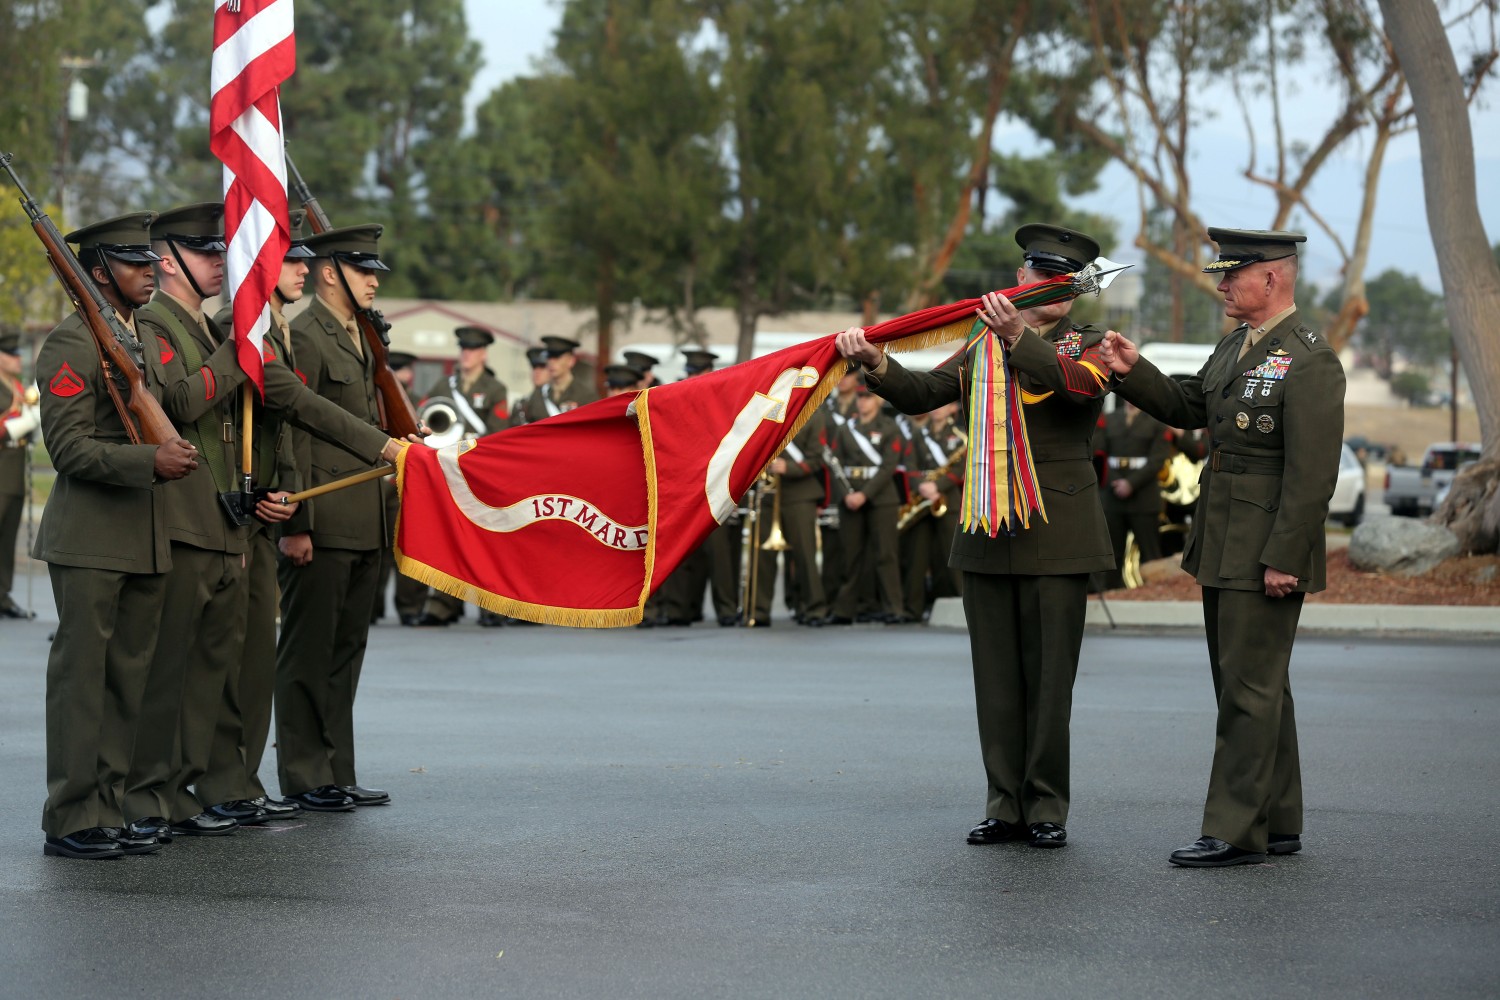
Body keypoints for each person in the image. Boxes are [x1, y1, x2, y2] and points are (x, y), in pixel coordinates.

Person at [835, 223, 1116, 849]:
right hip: (989, 523)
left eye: (1064, 280)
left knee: (1048, 680)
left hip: (1056, 530)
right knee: (994, 677)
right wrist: (876, 364)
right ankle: (1003, 802)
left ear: (1076, 292)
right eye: (1040, 275)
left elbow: (1076, 391)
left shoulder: (1092, 342)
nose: (1050, 287)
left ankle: (1045, 805)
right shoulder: (980, 339)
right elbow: (926, 393)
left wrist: (1020, 338)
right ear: (1020, 279)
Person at [1098, 228, 1345, 867]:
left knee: (1247, 689)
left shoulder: (1310, 358)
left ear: (1274, 278)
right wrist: (1132, 371)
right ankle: (1279, 818)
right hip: (1224, 536)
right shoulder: (1238, 344)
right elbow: (1189, 406)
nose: (1222, 283)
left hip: (1264, 544)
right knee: (1257, 684)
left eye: (1234, 274)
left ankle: (1235, 830)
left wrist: (1286, 556)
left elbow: (1313, 474)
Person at [34, 212, 198, 859]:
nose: (152, 270)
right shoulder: (71, 344)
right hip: (90, 539)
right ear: (98, 270)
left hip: (143, 536)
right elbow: (69, 448)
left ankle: (109, 804)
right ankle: (71, 817)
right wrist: (147, 463)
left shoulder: (137, 339)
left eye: (152, 260)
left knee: (127, 680)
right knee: (82, 681)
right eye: (135, 263)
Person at [276, 223, 401, 812]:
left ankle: (337, 769)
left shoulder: (358, 335)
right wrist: (295, 520)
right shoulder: (305, 335)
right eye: (363, 271)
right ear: (331, 273)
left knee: (346, 651)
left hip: (366, 516)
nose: (374, 281)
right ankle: (305, 773)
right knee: (308, 651)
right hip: (323, 515)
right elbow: (293, 430)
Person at [413, 326, 509, 627]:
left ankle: (491, 606)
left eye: (472, 349)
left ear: (483, 354)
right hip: (449, 468)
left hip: (480, 470)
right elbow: (426, 419)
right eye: (463, 349)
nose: (466, 354)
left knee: (485, 538)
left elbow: (498, 433)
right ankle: (443, 604)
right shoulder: (444, 384)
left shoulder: (495, 389)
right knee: (446, 535)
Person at [658, 349, 740, 626]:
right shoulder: (680, 402)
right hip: (685, 486)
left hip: (715, 485)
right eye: (690, 373)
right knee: (683, 552)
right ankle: (680, 609)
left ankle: (727, 610)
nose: (692, 378)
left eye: (697, 373)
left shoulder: (725, 406)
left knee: (719, 555)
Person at [823, 382, 906, 624]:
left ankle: (893, 608)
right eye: (860, 397)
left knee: (886, 554)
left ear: (878, 401)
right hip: (849, 494)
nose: (862, 401)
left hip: (881, 497)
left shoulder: (889, 427)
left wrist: (864, 495)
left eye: (868, 397)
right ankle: (845, 609)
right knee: (850, 555)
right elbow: (835, 463)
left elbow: (889, 466)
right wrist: (847, 494)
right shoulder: (845, 430)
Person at [754, 406, 829, 627]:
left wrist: (790, 467)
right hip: (769, 493)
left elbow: (817, 459)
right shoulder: (766, 410)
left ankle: (814, 608)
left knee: (805, 554)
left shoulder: (813, 414)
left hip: (800, 494)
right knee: (763, 557)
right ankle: (759, 611)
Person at [1096, 400, 1172, 590]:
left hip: (1144, 495)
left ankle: (1156, 593)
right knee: (1112, 552)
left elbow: (1157, 459)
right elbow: (1098, 452)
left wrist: (1131, 483)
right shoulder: (1109, 418)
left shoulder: (1155, 421)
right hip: (1113, 495)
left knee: (1150, 551)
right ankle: (1111, 591)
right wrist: (1117, 482)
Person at [377, 351, 428, 627]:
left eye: (401, 370)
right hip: (376, 477)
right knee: (376, 545)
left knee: (409, 545)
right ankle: (372, 606)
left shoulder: (418, 401)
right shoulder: (374, 396)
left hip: (405, 479)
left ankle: (410, 606)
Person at [900, 402, 965, 620]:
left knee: (950, 554)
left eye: (943, 405)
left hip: (948, 498)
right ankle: (913, 608)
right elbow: (909, 466)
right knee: (917, 555)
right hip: (922, 499)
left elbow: (962, 468)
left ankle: (960, 604)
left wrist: (938, 486)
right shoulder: (919, 434)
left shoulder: (960, 436)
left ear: (952, 409)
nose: (937, 409)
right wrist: (922, 487)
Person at [0, 329, 39, 620]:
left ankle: (2, 594)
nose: (17, 359)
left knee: (7, 537)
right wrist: (16, 425)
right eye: (11, 354)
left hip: (12, 472)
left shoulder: (15, 385)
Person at [521, 335, 597, 422]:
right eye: (549, 357)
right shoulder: (537, 395)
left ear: (571, 361)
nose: (552, 362)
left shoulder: (586, 396)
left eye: (557, 357)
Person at [508, 346, 550, 427]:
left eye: (542, 367)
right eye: (534, 367)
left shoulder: (557, 401)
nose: (537, 372)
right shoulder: (520, 404)